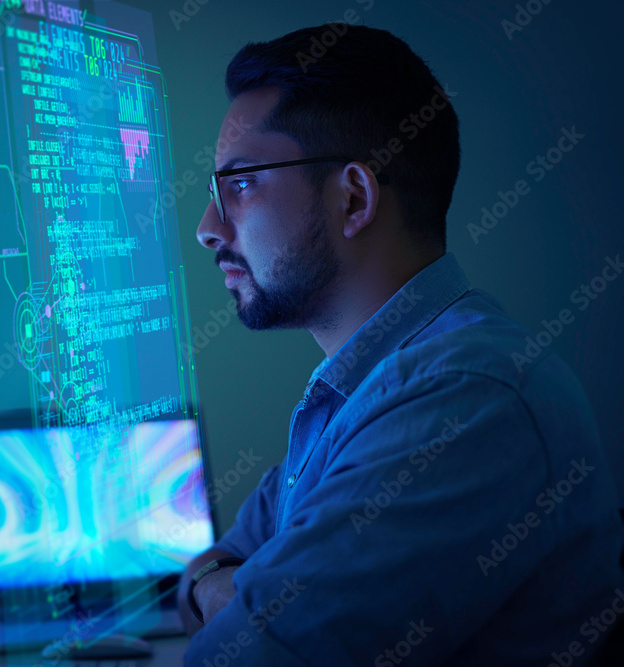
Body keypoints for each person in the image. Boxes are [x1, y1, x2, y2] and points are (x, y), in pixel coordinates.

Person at [180, 23, 624, 666]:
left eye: (241, 183)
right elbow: (215, 570)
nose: (207, 227)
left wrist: (221, 590)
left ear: (353, 198)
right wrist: (222, 586)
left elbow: (247, 655)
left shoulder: (467, 398)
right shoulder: (359, 392)